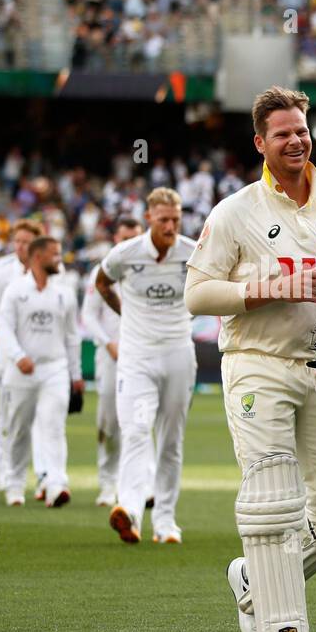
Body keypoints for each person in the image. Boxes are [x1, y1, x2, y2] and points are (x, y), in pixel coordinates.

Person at [185, 86, 316, 632]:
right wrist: (260, 291)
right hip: (257, 363)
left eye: (301, 130)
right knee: (272, 501)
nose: (295, 140)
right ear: (260, 143)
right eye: (282, 133)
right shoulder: (235, 212)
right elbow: (198, 293)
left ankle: (256, 579)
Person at [96, 189, 196, 544]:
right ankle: (131, 511)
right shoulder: (126, 253)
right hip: (137, 357)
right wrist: (127, 315)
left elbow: (208, 286)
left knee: (171, 438)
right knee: (137, 429)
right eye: (164, 219)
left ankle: (166, 522)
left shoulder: (191, 251)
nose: (170, 226)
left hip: (178, 354)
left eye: (176, 219)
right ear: (149, 217)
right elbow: (101, 283)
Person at [0, 236, 82, 508]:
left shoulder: (64, 293)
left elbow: (72, 337)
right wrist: (18, 357)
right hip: (21, 372)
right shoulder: (15, 290)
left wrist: (76, 374)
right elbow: (4, 327)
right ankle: (15, 483)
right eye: (54, 255)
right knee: (19, 429)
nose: (59, 259)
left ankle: (56, 483)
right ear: (37, 257)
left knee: (54, 426)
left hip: (54, 369)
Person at [0, 220, 52, 497]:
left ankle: (44, 476)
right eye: (16, 241)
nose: (20, 246)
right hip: (8, 357)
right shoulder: (0, 271)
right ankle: (7, 473)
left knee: (45, 418)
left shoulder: (53, 270)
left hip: (43, 356)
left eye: (25, 241)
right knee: (10, 417)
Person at [79, 216, 143, 507]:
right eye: (124, 237)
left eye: (135, 237)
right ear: (115, 238)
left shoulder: (148, 270)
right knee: (108, 418)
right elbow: (88, 315)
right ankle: (107, 483)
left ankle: (140, 486)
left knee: (140, 421)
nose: (129, 243)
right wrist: (108, 343)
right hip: (111, 355)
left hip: (143, 355)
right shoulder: (102, 272)